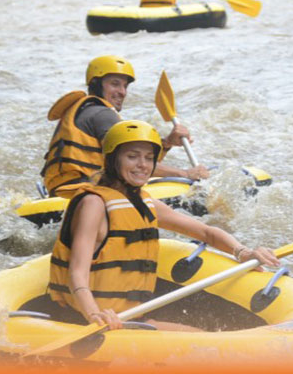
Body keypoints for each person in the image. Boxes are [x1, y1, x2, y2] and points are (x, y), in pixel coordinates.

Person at [48, 120, 280, 331]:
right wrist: (94, 315)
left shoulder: (143, 202)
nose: (143, 165)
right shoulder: (93, 204)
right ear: (112, 159)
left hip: (129, 317)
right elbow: (77, 273)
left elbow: (206, 232)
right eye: (132, 157)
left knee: (202, 336)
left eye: (149, 158)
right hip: (88, 321)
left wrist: (243, 252)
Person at [41, 55, 210, 198]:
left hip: (63, 190)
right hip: (83, 192)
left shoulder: (83, 109)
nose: (122, 92)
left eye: (125, 86)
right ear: (96, 84)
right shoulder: (102, 114)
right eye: (115, 84)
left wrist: (167, 143)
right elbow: (134, 164)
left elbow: (133, 159)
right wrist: (186, 174)